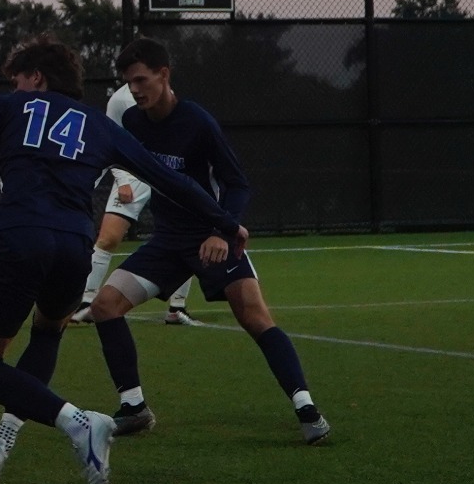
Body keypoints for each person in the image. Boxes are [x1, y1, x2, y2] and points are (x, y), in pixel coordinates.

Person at [0, 35, 244, 484]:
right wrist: (225, 221)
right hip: (75, 248)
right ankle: (3, 440)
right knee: (47, 332)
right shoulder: (101, 125)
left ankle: (80, 423)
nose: (14, 87)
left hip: (21, 238)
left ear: (37, 77)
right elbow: (170, 179)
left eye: (18, 78)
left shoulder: (13, 106)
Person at [84, 37, 331, 444]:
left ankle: (306, 407)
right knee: (105, 306)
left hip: (211, 238)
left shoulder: (197, 122)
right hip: (168, 242)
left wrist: (222, 230)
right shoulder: (132, 124)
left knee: (254, 316)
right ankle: (134, 407)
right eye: (130, 84)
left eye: (142, 80)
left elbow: (237, 184)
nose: (136, 90)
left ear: (164, 75)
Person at [71, 77, 197, 326]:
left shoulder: (166, 93)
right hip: (132, 175)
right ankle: (85, 302)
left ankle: (177, 308)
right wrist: (122, 179)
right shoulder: (119, 100)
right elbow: (109, 140)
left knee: (188, 235)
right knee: (109, 238)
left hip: (163, 172)